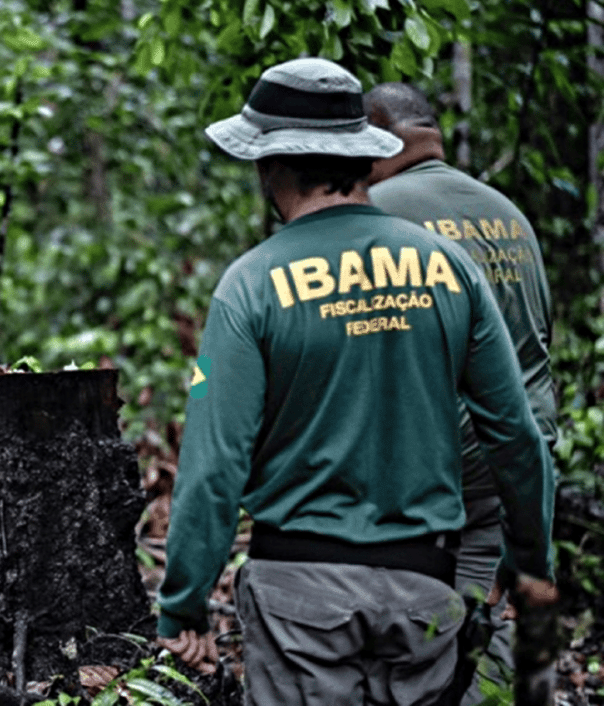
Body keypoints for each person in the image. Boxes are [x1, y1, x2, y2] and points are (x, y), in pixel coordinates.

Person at [155, 57, 557, 706]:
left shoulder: (249, 286)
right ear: (361, 158)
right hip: (427, 586)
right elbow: (515, 433)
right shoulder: (448, 267)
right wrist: (531, 559)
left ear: (271, 164)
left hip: (297, 600)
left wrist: (183, 606)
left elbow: (214, 467)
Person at [363, 82, 558, 705]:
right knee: (489, 625)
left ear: (373, 137)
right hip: (519, 462)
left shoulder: (376, 215)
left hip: (430, 470)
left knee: (408, 648)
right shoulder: (510, 215)